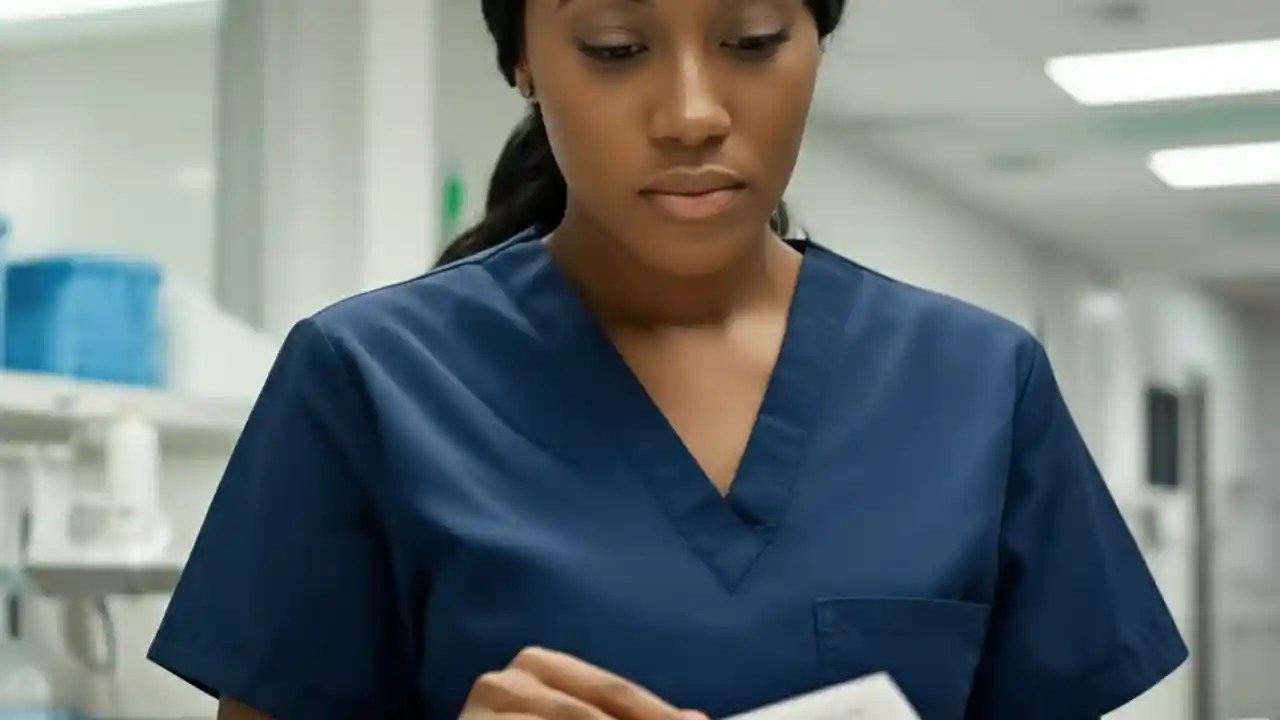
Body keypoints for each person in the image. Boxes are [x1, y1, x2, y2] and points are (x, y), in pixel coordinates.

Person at [148, 1, 1188, 718]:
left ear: (816, 41)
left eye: (748, 39)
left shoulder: (974, 384)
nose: (692, 113)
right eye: (611, 46)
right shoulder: (366, 379)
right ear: (521, 59)